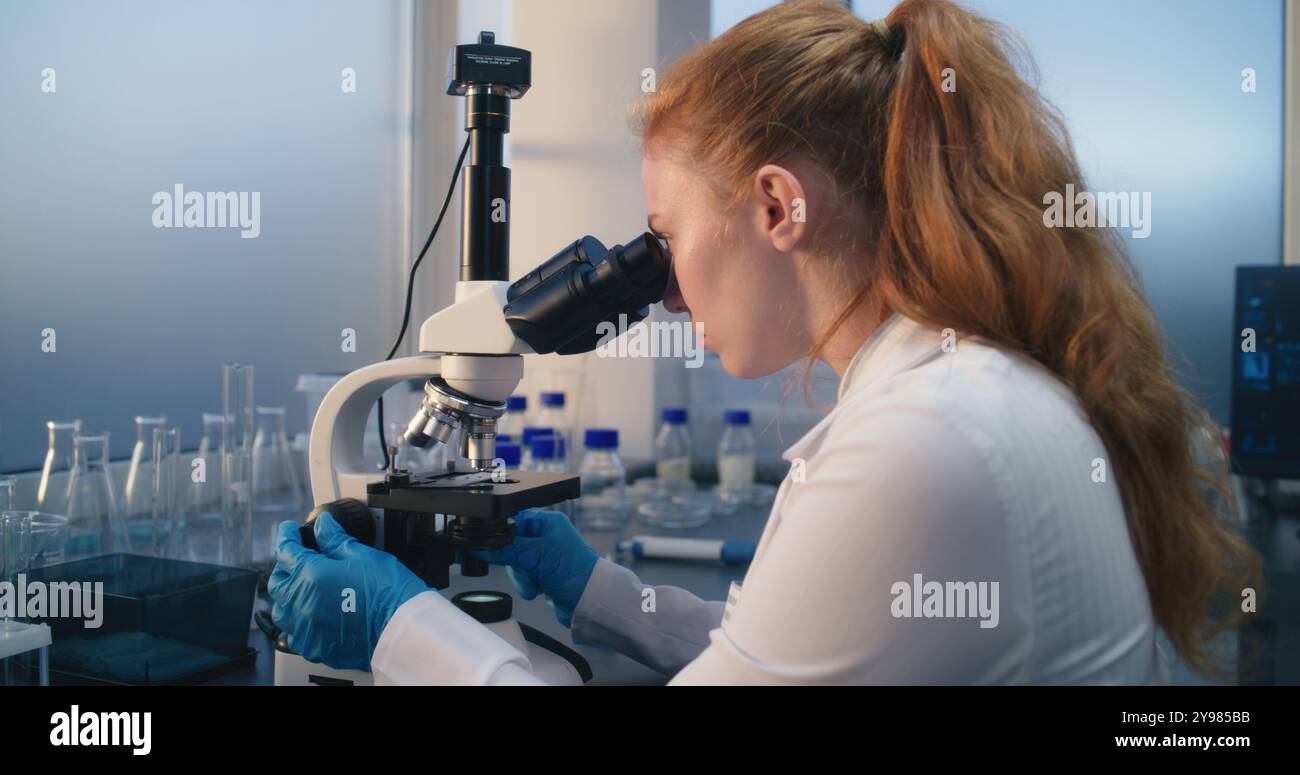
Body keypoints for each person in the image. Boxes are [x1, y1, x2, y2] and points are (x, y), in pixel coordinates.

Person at [269, 0, 1259, 684]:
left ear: (779, 207)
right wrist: (598, 590)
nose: (662, 293)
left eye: (664, 239)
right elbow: (788, 650)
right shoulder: (962, 391)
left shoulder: (923, 443)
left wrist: (401, 628)